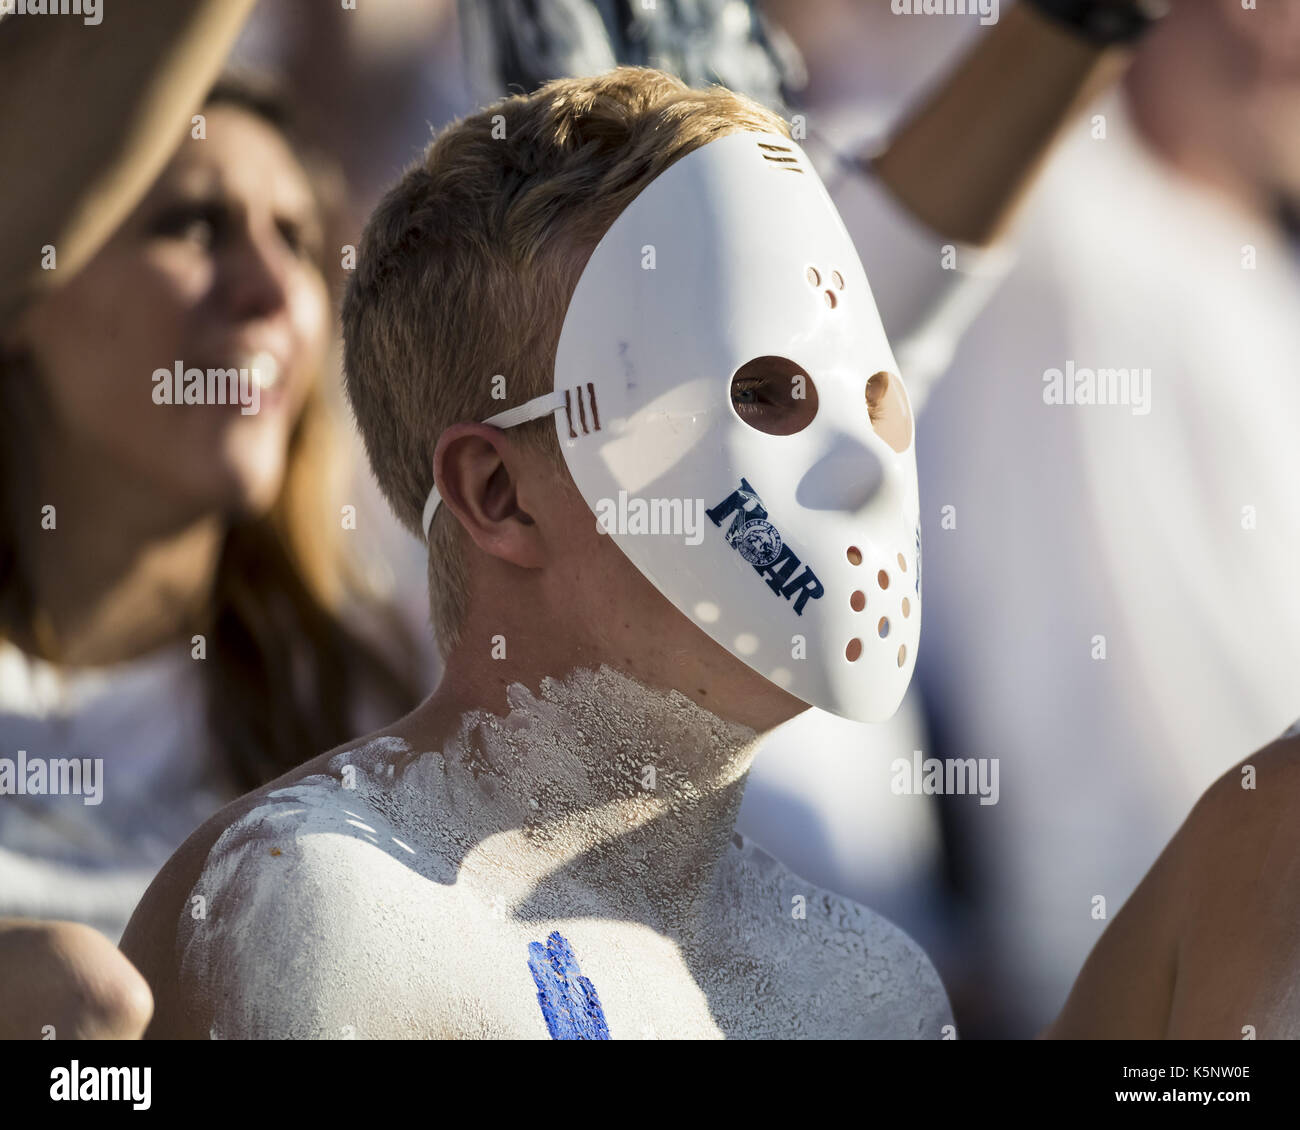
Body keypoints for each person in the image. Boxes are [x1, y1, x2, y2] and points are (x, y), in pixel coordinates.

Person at [122, 66, 954, 1039]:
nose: (866, 465)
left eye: (870, 394)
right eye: (763, 393)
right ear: (498, 493)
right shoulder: (328, 913)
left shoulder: (866, 987)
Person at [0, 2, 422, 1038]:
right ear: (28, 278)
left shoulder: (381, 705)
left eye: (296, 237)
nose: (273, 289)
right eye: (191, 225)